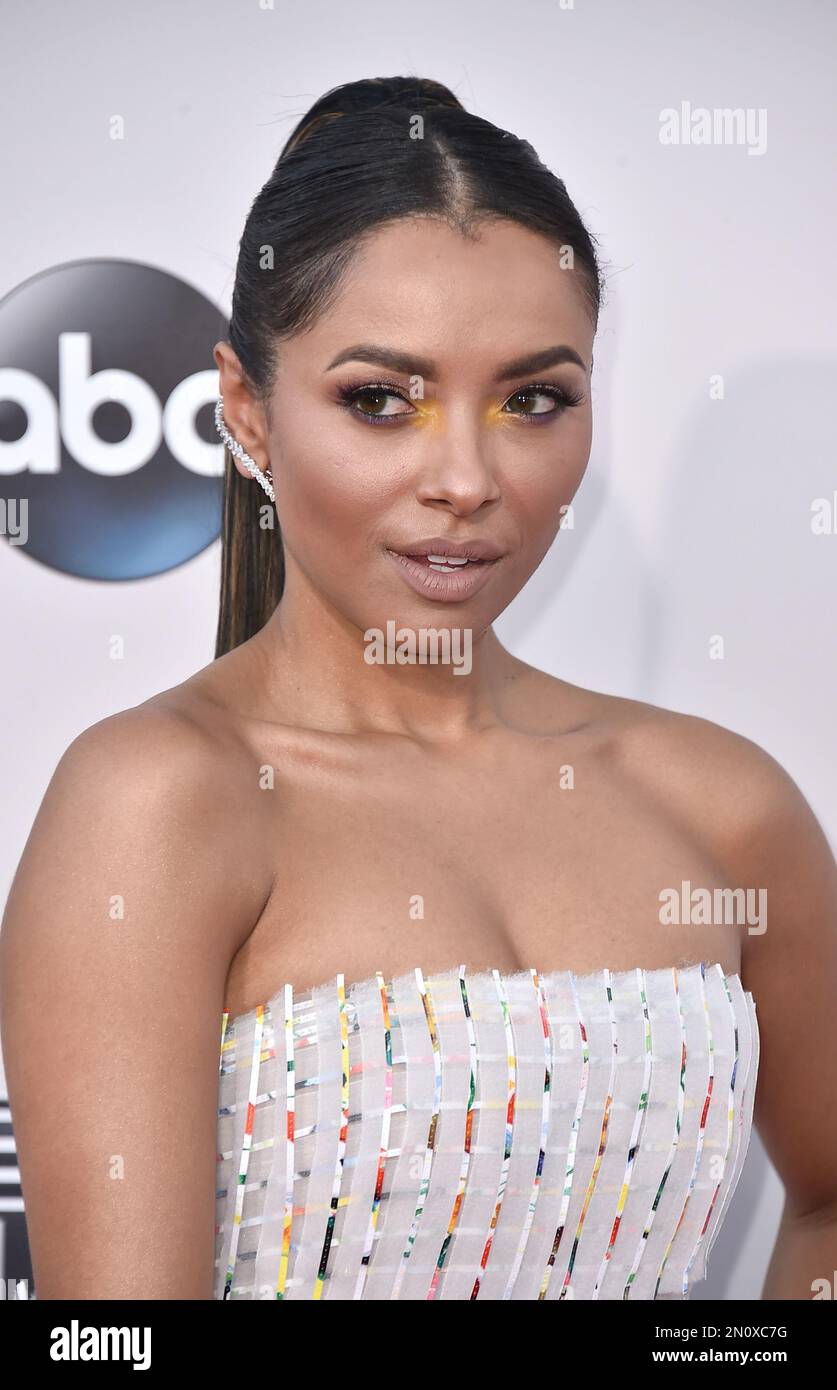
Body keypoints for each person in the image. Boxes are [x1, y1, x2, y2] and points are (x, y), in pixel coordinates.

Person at [1, 75, 835, 1302]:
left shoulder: (721, 804)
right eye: (381, 400)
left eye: (531, 399)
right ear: (248, 409)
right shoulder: (158, 803)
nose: (465, 477)